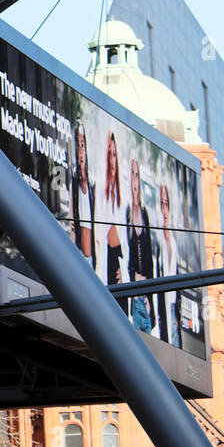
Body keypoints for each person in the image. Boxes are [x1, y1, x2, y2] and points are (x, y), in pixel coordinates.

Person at [93, 131, 126, 314]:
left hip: (119, 274)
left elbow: (125, 245)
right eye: (109, 155)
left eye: (114, 155)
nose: (112, 160)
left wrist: (125, 272)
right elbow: (99, 236)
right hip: (105, 267)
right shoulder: (101, 192)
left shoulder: (121, 197)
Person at [125, 155, 156, 337]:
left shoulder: (144, 214)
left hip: (146, 294)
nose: (135, 179)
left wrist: (150, 294)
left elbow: (150, 257)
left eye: (137, 174)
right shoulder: (126, 211)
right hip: (133, 293)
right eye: (132, 174)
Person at [155, 182, 178, 347]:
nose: (164, 210)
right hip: (158, 308)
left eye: (166, 204)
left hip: (172, 309)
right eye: (161, 204)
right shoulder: (155, 238)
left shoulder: (174, 241)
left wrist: (177, 314)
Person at [71, 122, 95, 269]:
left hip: (93, 259)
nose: (81, 150)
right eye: (78, 145)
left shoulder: (93, 182)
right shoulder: (73, 179)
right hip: (78, 256)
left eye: (82, 144)